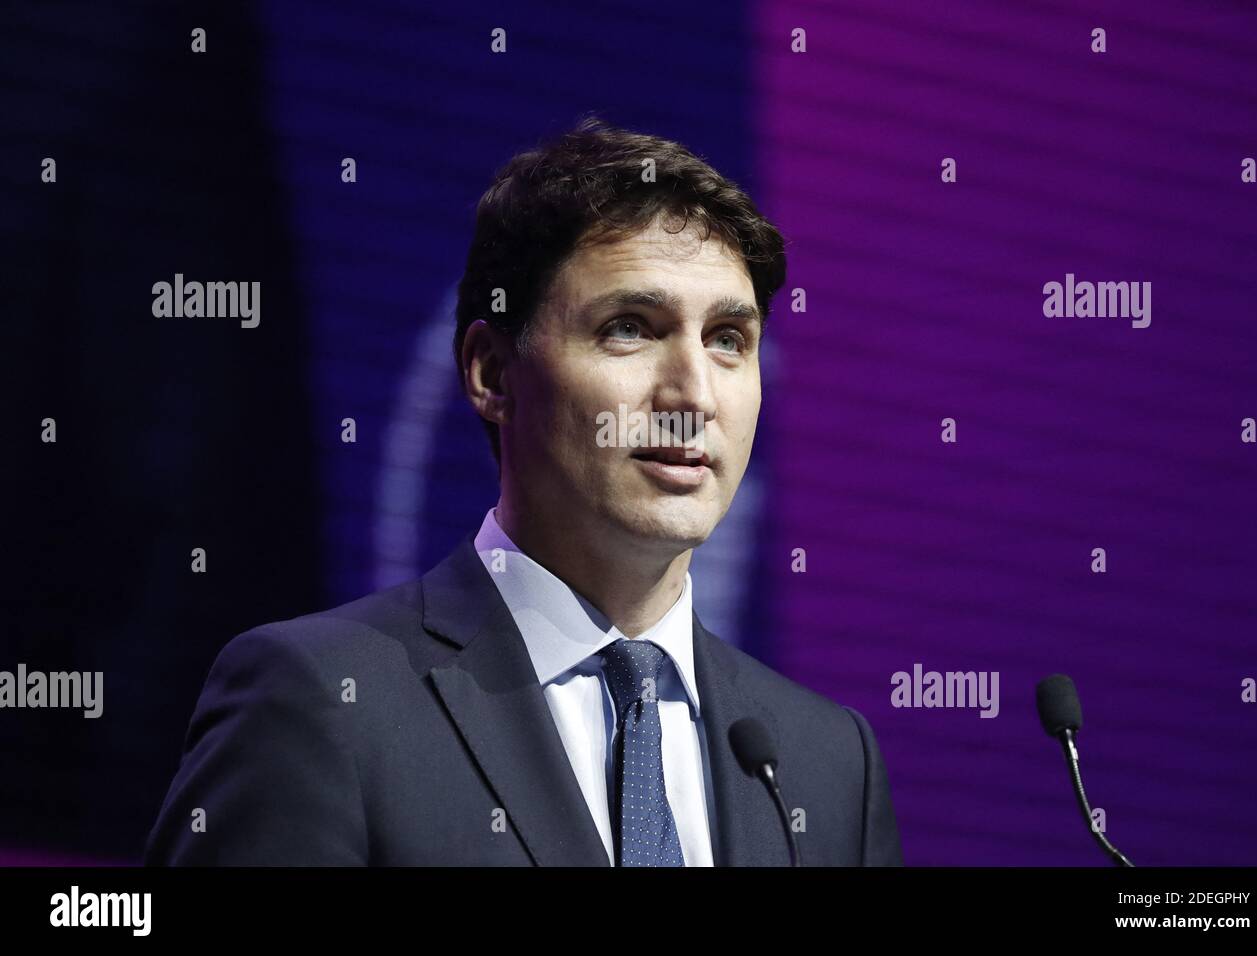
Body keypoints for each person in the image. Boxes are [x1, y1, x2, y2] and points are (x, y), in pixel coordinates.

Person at [144, 117, 902, 866]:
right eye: (631, 328)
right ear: (493, 374)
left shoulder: (825, 764)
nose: (695, 395)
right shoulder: (318, 703)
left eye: (728, 340)